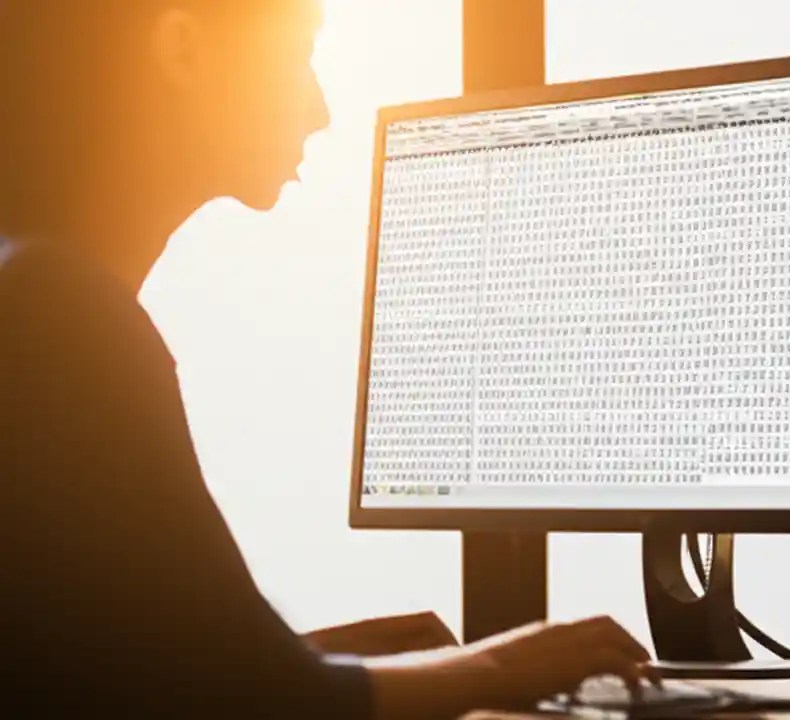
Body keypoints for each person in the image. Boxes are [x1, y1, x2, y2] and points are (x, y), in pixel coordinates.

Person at [0, 1, 655, 718]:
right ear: (182, 48)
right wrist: (503, 664)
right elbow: (271, 702)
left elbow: (94, 670)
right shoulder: (54, 309)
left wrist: (295, 655)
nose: (319, 110)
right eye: (299, 54)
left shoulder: (31, 287)